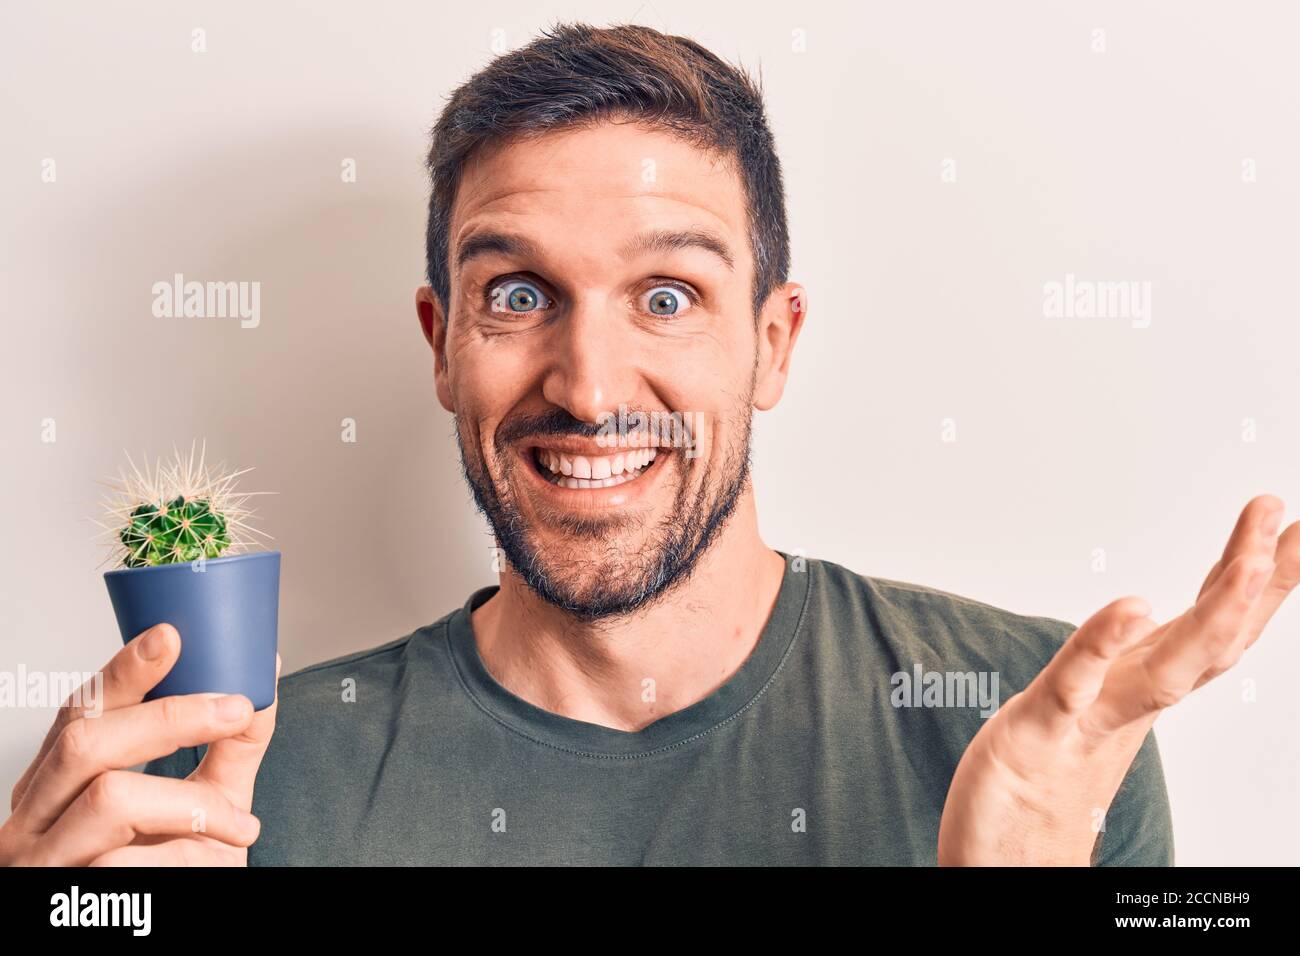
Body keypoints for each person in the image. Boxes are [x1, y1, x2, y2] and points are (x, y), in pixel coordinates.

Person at [4, 23, 1296, 866]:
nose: (588, 382)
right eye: (516, 294)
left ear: (774, 343)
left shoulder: (1038, 725)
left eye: (668, 296)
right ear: (441, 343)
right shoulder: (224, 784)